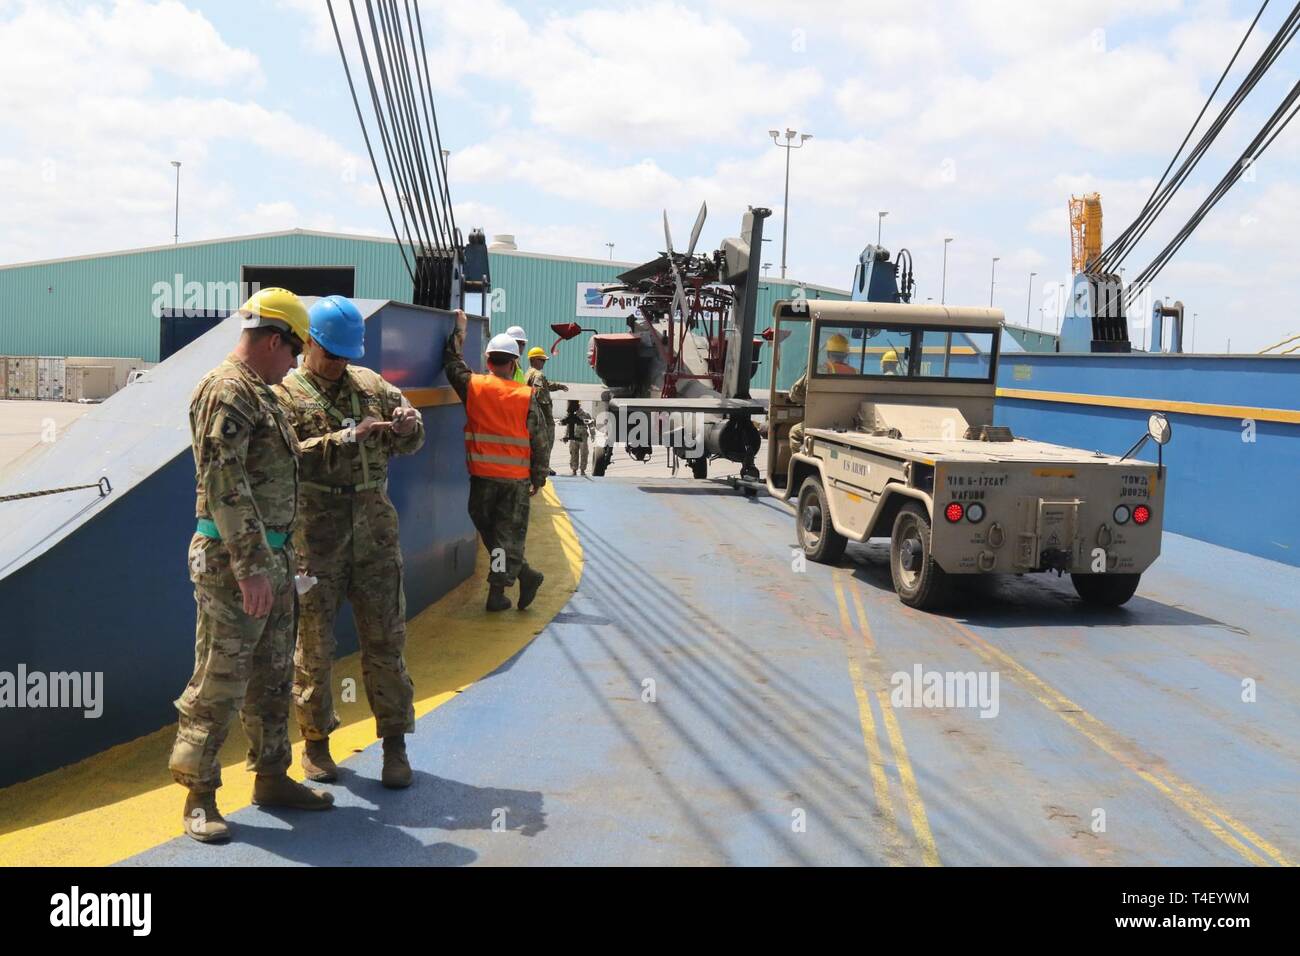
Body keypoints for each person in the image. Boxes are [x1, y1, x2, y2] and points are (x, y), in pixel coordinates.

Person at [169, 287, 333, 844]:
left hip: (273, 557)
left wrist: (283, 555)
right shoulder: (227, 391)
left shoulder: (261, 394)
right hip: (234, 562)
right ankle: (200, 793)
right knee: (221, 675)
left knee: (271, 675)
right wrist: (250, 564)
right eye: (293, 350)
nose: (295, 362)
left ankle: (271, 777)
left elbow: (272, 475)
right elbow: (224, 482)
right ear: (271, 340)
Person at [273, 295, 423, 789]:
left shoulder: (370, 385)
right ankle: (316, 743)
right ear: (310, 344)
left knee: (386, 640)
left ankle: (395, 745)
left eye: (345, 355)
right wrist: (344, 440)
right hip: (316, 540)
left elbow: (412, 437)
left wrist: (407, 426)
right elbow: (285, 458)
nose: (339, 364)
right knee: (313, 647)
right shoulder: (287, 394)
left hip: (375, 535)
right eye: (331, 354)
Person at [444, 310, 549, 611]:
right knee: (506, 536)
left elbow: (452, 363)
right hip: (514, 482)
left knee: (491, 531)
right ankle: (524, 575)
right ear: (514, 362)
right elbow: (539, 440)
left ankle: (499, 592)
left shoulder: (473, 386)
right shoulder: (525, 395)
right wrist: (538, 477)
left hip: (483, 478)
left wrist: (459, 331)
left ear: (488, 360)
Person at [524, 346, 567, 467]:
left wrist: (558, 386)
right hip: (543, 418)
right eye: (541, 360)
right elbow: (539, 396)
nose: (544, 363)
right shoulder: (538, 375)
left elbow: (546, 385)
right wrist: (544, 418)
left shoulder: (528, 373)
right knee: (546, 444)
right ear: (533, 360)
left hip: (531, 415)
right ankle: (544, 467)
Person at [560, 399, 594, 476]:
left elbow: (591, 425)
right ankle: (574, 469)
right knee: (573, 453)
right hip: (573, 437)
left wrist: (593, 434)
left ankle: (582, 470)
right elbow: (568, 425)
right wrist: (565, 435)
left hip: (583, 437)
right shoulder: (570, 414)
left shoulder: (586, 414)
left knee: (584, 453)